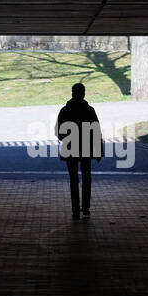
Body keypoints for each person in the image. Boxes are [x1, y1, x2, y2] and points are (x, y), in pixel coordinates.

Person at [56, 83, 103, 219]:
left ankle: (75, 209)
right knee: (86, 178)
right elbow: (96, 131)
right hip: (86, 149)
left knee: (73, 180)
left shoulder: (65, 110)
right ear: (83, 94)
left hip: (70, 149)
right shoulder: (89, 110)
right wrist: (98, 150)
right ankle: (86, 208)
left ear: (72, 93)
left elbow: (59, 133)